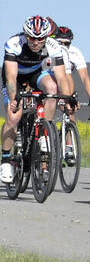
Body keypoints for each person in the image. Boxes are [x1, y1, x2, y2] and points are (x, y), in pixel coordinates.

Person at [2, 17, 72, 185]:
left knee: (53, 89)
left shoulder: (53, 47)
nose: (36, 42)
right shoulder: (14, 43)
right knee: (13, 116)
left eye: (40, 38)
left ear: (46, 37)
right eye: (32, 38)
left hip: (35, 73)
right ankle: (5, 159)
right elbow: (11, 77)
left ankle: (43, 129)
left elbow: (61, 77)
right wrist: (14, 98)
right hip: (15, 76)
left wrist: (67, 98)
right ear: (26, 35)